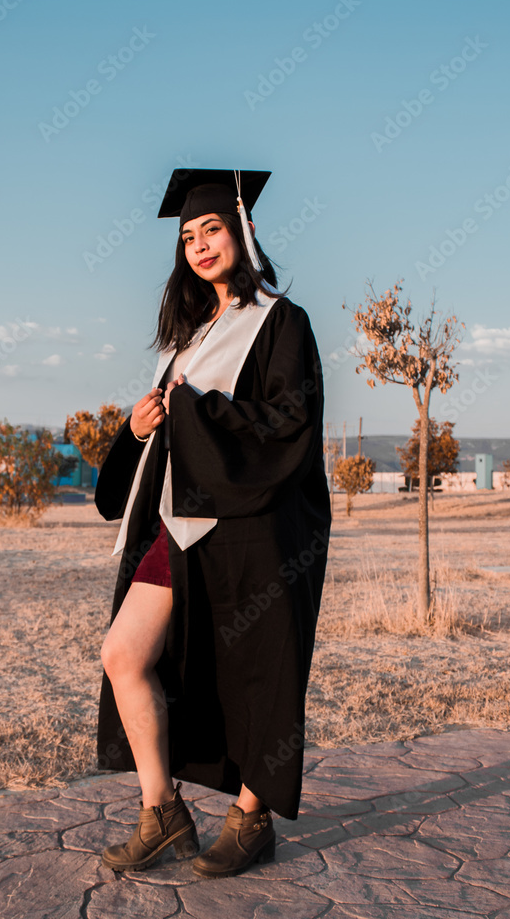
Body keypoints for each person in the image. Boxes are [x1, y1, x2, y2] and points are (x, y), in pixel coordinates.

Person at [94, 168, 331, 879]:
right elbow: (167, 436)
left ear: (244, 232)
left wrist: (196, 410)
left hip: (254, 529)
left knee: (259, 674)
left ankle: (251, 819)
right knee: (123, 654)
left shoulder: (282, 321)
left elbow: (289, 423)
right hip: (180, 525)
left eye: (212, 229)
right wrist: (138, 429)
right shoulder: (190, 337)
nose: (199, 245)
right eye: (187, 237)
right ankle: (162, 810)